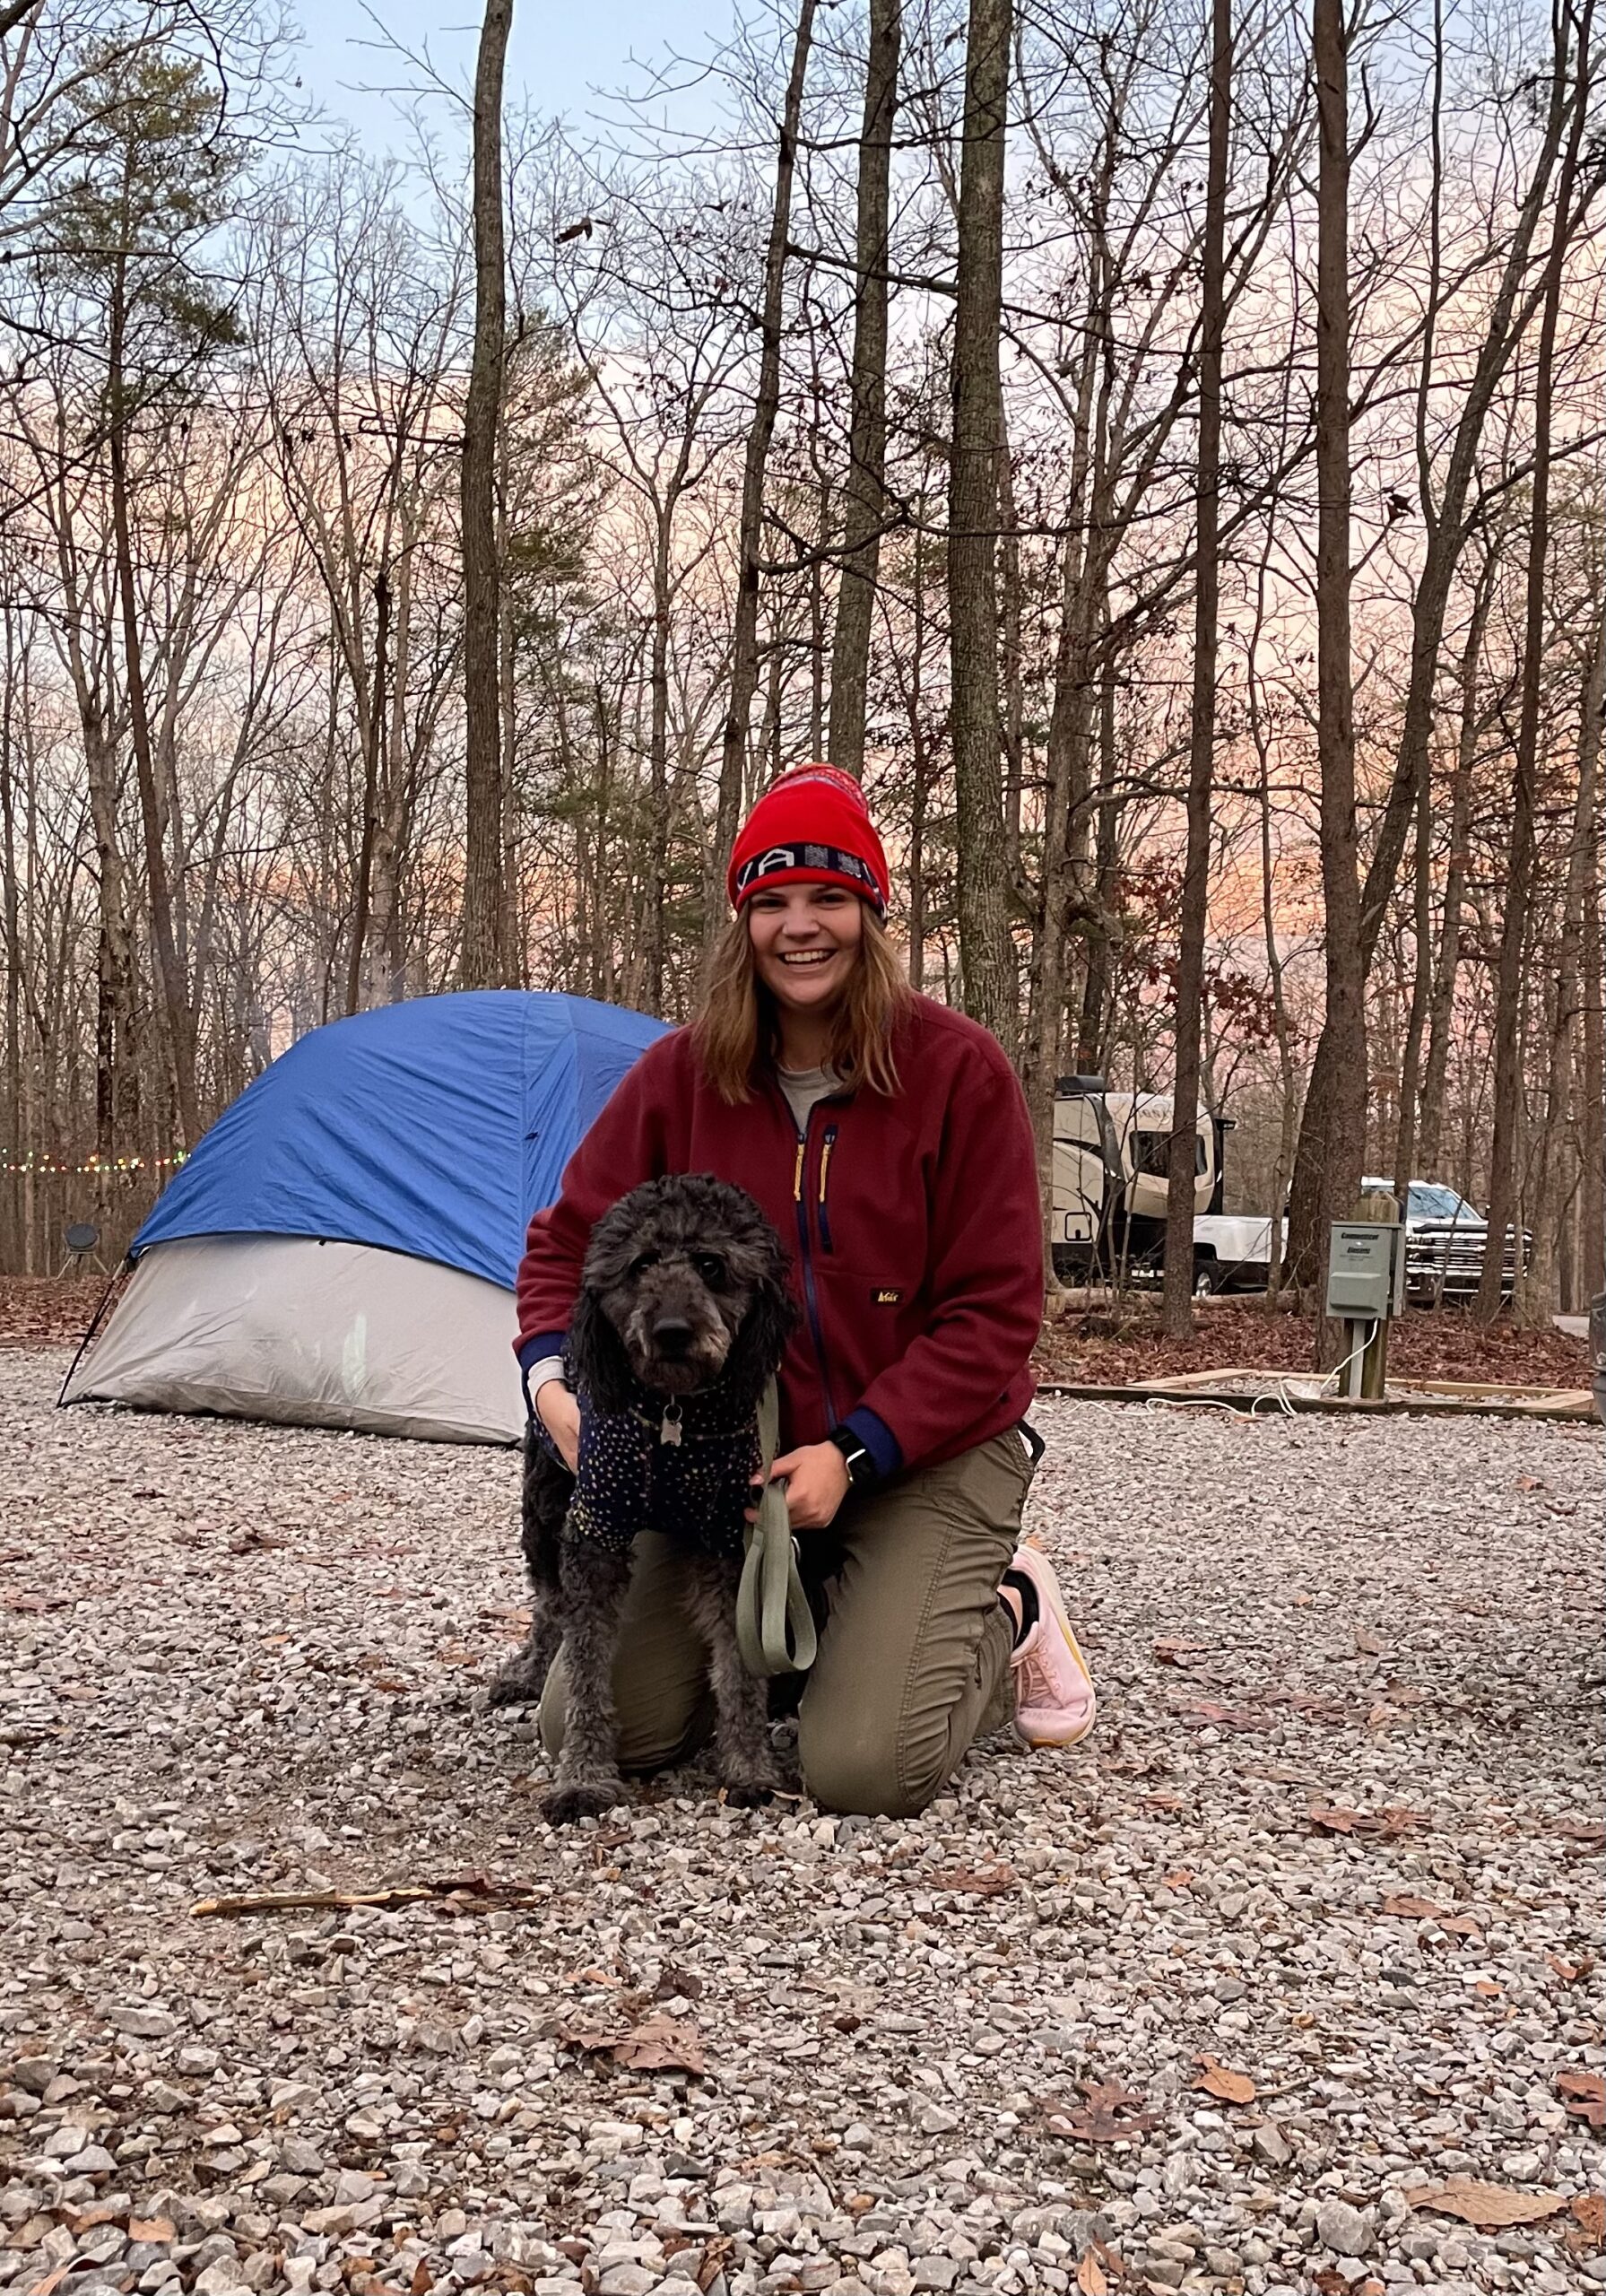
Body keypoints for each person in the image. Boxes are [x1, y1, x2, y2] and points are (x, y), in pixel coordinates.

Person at [514, 764, 1096, 1817]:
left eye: (829, 896)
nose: (799, 926)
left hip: (921, 1449)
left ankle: (1011, 1605)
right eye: (771, 901)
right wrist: (552, 1384)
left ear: (870, 914)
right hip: (727, 1461)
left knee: (864, 1766)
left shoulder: (958, 1071)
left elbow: (998, 1313)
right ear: (742, 923)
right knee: (600, 1731)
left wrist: (856, 1450)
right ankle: (819, 1625)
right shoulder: (680, 1073)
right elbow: (567, 1243)